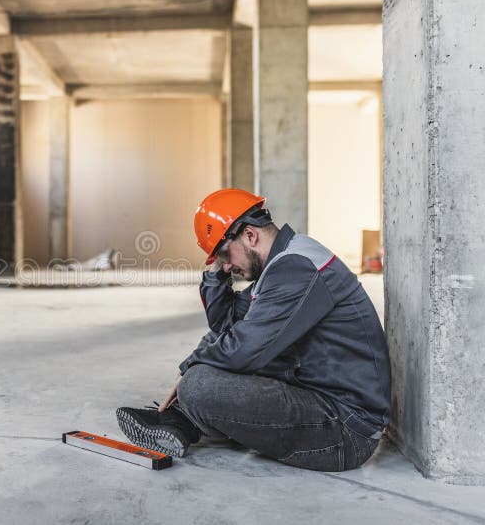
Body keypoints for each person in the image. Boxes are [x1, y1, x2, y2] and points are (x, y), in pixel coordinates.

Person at [116, 188, 391, 471]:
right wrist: (215, 276)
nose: (228, 266)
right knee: (209, 355)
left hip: (345, 429)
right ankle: (184, 421)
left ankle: (187, 419)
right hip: (319, 396)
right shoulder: (283, 262)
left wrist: (189, 368)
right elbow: (227, 326)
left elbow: (244, 350)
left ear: (250, 235)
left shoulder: (296, 268)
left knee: (198, 384)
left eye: (225, 255)